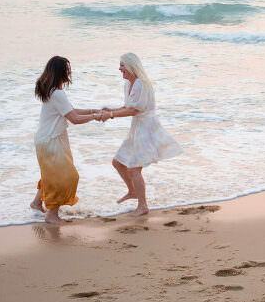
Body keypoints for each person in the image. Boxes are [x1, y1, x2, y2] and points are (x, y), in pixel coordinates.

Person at [103, 53, 181, 216]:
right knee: (118, 162)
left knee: (134, 168)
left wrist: (110, 115)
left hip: (146, 128)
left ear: (132, 66)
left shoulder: (141, 83)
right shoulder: (128, 84)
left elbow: (134, 110)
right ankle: (133, 191)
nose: (119, 69)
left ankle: (143, 206)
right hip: (136, 128)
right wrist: (109, 110)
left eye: (122, 65)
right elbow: (127, 107)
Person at [32, 56, 107, 224]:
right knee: (67, 176)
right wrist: (96, 116)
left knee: (51, 174)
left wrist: (94, 110)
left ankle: (37, 203)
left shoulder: (54, 91)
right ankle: (51, 215)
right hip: (51, 140)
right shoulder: (56, 93)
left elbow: (71, 110)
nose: (70, 71)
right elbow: (74, 118)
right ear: (59, 71)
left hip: (50, 139)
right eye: (67, 69)